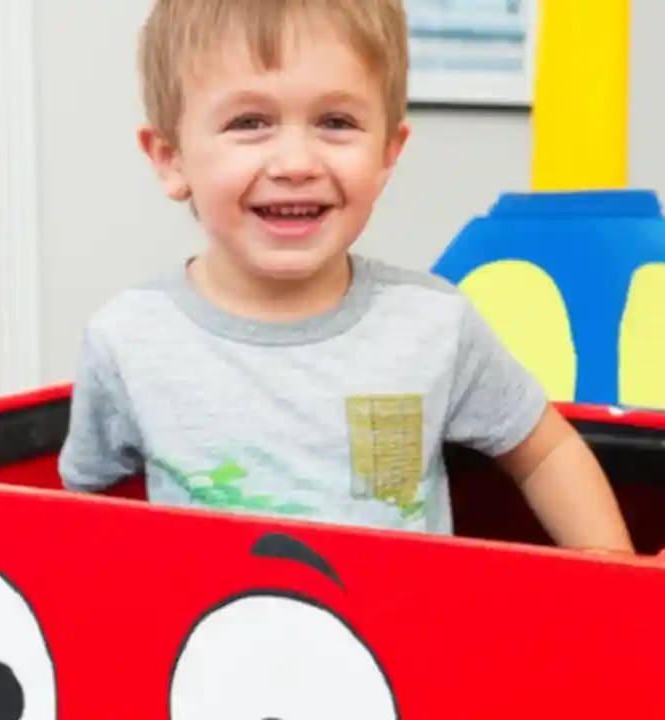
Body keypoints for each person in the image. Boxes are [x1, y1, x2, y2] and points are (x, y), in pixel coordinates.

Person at [58, 0, 634, 553]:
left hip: (404, 653)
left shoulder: (434, 325)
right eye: (249, 122)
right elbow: (81, 514)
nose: (296, 164)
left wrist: (619, 580)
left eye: (335, 122)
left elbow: (546, 452)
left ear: (388, 152)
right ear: (170, 158)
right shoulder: (128, 339)